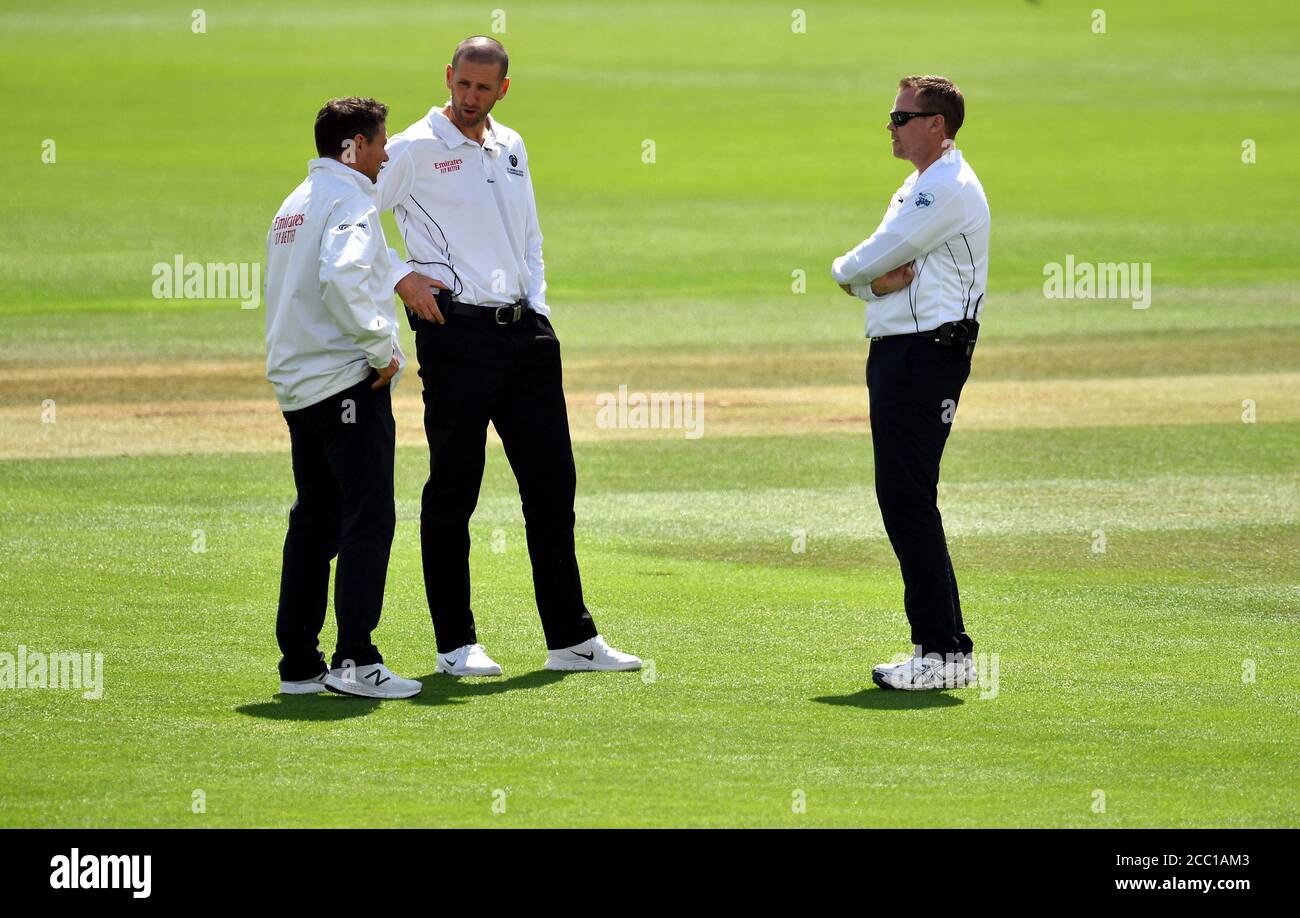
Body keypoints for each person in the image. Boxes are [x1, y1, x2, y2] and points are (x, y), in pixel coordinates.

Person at [378, 37, 641, 676]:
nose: (470, 98)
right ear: (448, 77)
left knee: (553, 487)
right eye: (462, 84)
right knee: (455, 490)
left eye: (483, 87)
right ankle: (455, 644)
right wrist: (400, 277)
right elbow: (349, 221)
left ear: (503, 87)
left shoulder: (512, 145)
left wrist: (540, 308)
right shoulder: (412, 149)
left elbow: (530, 237)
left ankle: (570, 639)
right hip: (456, 336)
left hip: (526, 338)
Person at [829, 75, 989, 691]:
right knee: (905, 495)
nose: (890, 126)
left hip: (927, 353)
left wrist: (844, 274)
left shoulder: (946, 186)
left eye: (901, 117)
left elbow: (874, 256)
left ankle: (943, 651)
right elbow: (883, 274)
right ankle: (944, 648)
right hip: (903, 349)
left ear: (935, 125)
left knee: (907, 496)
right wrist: (867, 283)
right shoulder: (921, 182)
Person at [263, 96, 423, 699]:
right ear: (353, 147)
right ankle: (357, 658)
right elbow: (342, 277)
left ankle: (300, 666)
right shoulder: (350, 200)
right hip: (346, 383)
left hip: (299, 388)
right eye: (380, 143)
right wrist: (382, 348)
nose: (385, 155)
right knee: (368, 516)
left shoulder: (294, 204)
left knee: (314, 522)